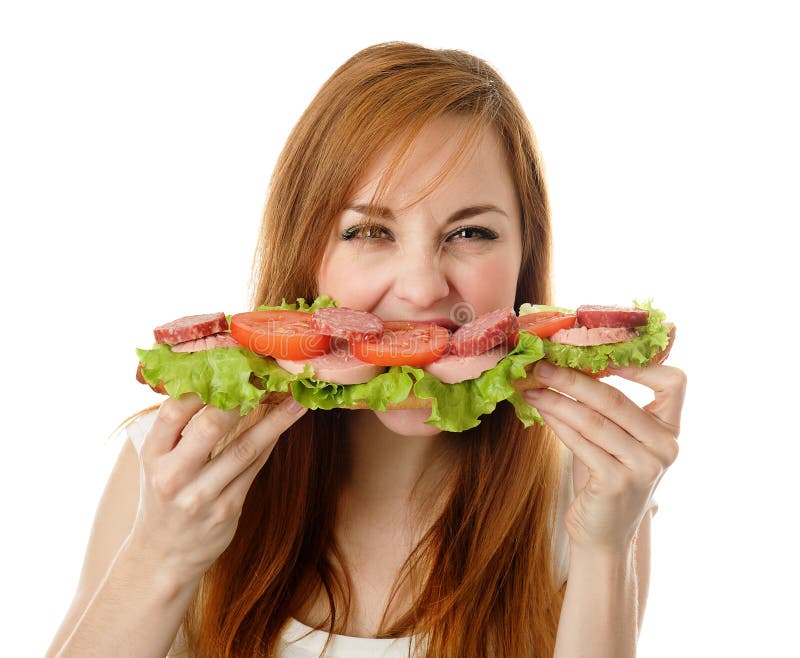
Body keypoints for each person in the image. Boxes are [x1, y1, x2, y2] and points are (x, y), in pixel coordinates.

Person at [45, 42, 686, 658]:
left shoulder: (593, 488)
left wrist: (606, 548)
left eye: (470, 232)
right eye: (370, 231)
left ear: (526, 256)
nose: (421, 288)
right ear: (305, 252)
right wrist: (162, 556)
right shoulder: (173, 467)